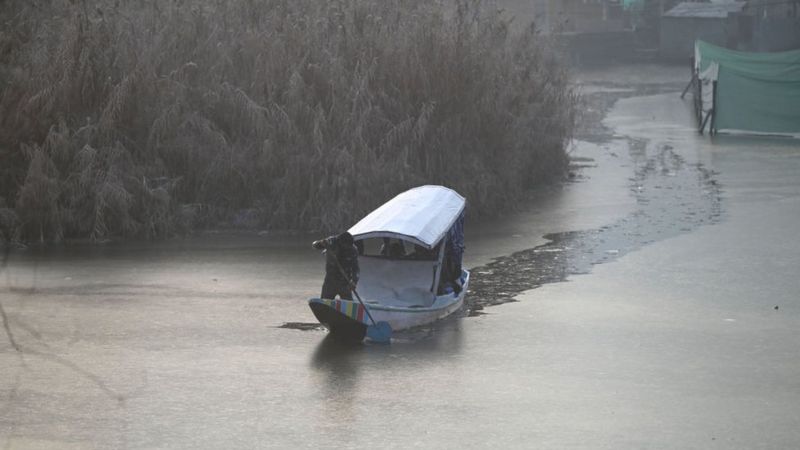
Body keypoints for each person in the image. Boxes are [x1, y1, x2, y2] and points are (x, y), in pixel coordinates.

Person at [312, 232, 359, 301]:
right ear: (341, 242)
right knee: (325, 302)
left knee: (349, 303)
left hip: (345, 282)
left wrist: (354, 281)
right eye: (346, 245)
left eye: (349, 246)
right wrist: (320, 243)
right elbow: (314, 245)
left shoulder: (353, 250)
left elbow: (356, 268)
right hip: (330, 281)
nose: (348, 247)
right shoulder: (331, 242)